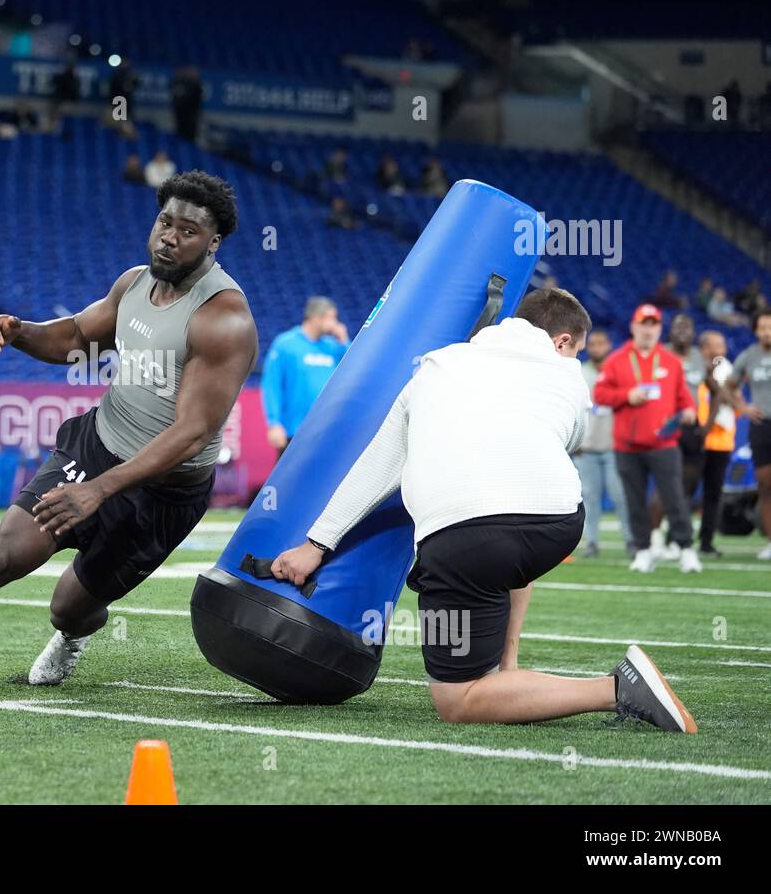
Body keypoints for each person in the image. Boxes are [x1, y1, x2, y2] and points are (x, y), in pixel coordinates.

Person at [0, 170, 258, 700]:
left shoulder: (223, 319)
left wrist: (100, 490)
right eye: (165, 222)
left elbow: (192, 432)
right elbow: (73, 338)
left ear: (213, 242)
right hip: (96, 446)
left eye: (187, 231)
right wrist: (20, 332)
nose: (169, 237)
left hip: (164, 491)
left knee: (69, 607)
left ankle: (71, 636)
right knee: (2, 556)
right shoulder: (134, 283)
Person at [269, 289, 696, 734]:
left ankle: (616, 689)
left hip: (463, 540)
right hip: (558, 523)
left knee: (458, 700)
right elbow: (562, 444)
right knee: (513, 537)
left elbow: (378, 464)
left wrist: (317, 543)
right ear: (563, 342)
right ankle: (507, 665)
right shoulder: (568, 377)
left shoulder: (436, 365)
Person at [593, 304, 699, 574]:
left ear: (659, 329)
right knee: (634, 500)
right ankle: (642, 550)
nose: (648, 329)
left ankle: (685, 549)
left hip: (664, 443)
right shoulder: (616, 360)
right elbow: (600, 394)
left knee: (674, 497)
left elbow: (683, 396)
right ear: (634, 326)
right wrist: (626, 396)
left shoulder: (671, 361)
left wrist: (688, 410)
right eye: (644, 323)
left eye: (653, 324)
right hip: (627, 445)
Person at [646, 312, 706, 558]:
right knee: (665, 483)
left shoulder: (702, 358)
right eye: (678, 327)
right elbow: (646, 385)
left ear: (693, 332)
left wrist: (708, 424)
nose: (683, 332)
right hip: (668, 424)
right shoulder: (659, 355)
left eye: (687, 327)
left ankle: (675, 539)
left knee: (687, 485)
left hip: (692, 428)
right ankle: (654, 537)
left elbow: (717, 384)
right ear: (670, 331)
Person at [261, 296, 348, 455]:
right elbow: (272, 385)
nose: (336, 323)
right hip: (294, 431)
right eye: (331, 318)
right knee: (288, 479)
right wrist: (274, 423)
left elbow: (350, 371)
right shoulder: (285, 344)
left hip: (326, 430)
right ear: (316, 318)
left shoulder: (333, 346)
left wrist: (344, 341)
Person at [574, 329, 626, 558]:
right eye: (592, 344)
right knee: (590, 498)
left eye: (601, 343)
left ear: (609, 345)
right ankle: (592, 542)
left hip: (615, 444)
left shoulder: (620, 372)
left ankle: (632, 540)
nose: (596, 348)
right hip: (587, 446)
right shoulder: (580, 372)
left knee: (620, 496)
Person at [726, 309, 771, 560]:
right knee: (765, 486)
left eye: (770, 326)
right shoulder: (749, 356)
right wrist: (742, 407)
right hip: (761, 426)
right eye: (762, 327)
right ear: (755, 330)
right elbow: (730, 385)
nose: (766, 331)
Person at [692, 331, 737, 557]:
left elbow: (735, 400)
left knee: (712, 494)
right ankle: (675, 540)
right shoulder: (694, 366)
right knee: (683, 490)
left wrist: (722, 389)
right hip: (696, 438)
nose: (721, 349)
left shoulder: (728, 369)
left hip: (720, 441)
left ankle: (706, 542)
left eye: (722, 344)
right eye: (715, 345)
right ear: (704, 348)